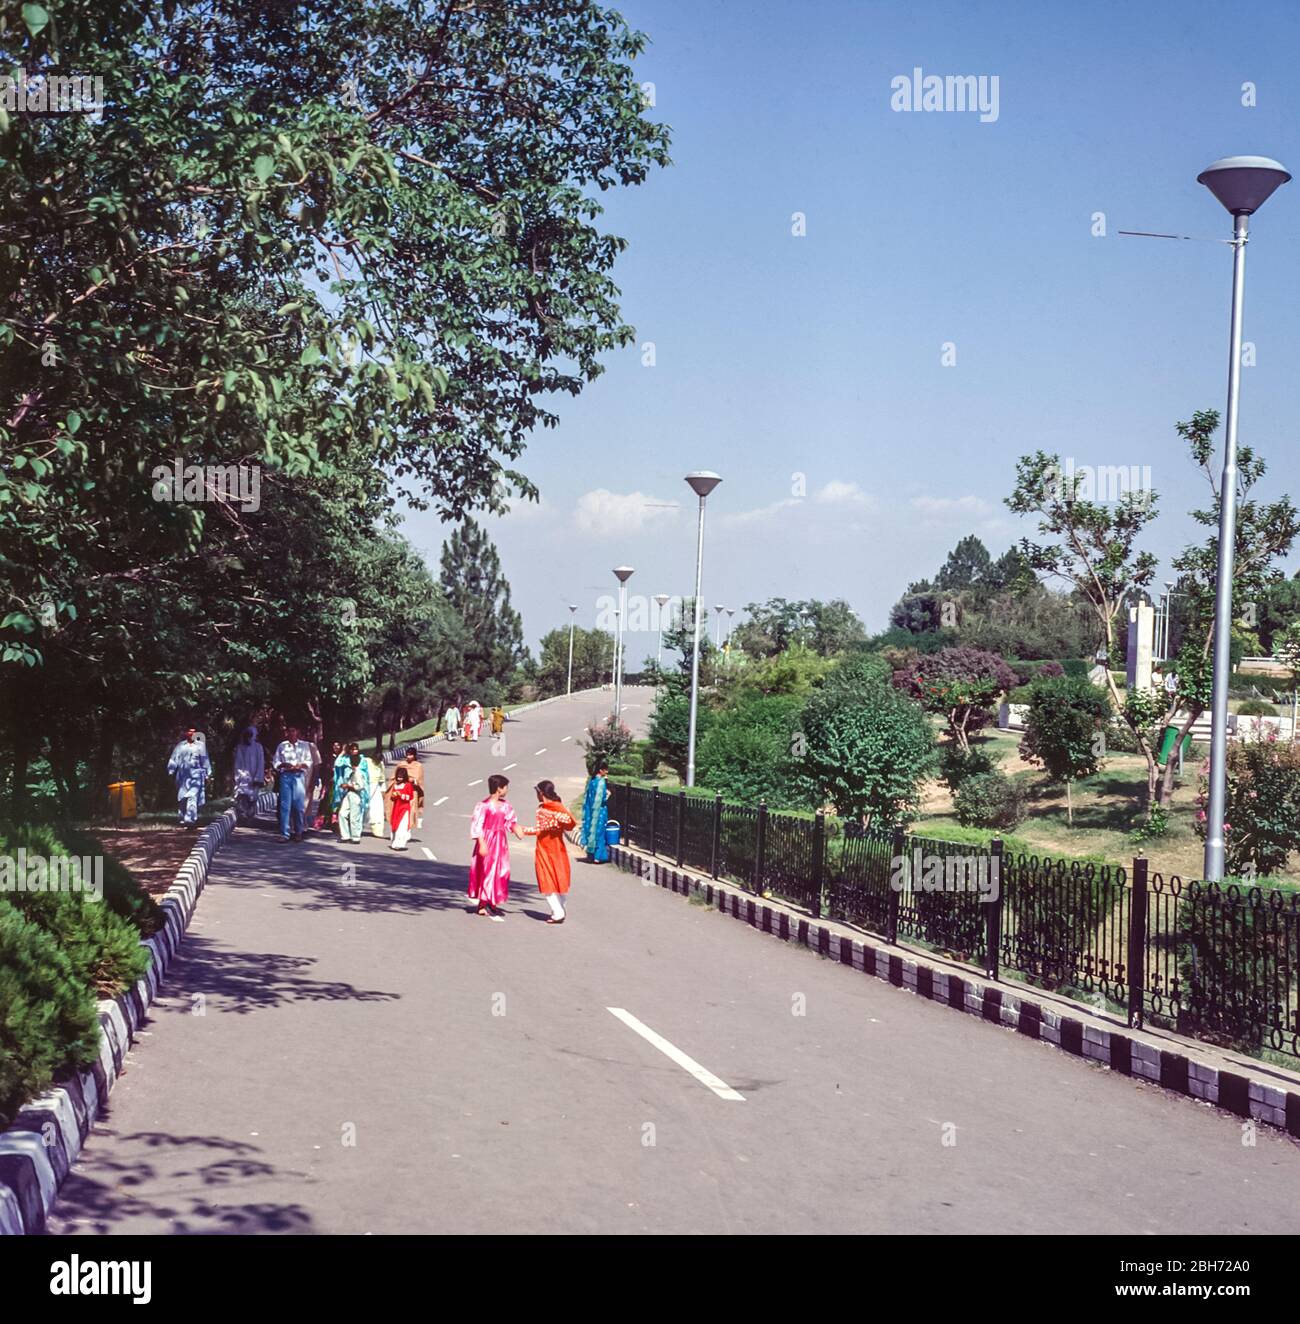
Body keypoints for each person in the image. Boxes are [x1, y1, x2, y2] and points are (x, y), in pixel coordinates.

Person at [468, 773, 525, 920]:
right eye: (506, 787)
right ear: (499, 788)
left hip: (500, 842)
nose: (507, 790)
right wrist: (481, 843)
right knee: (487, 871)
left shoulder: (506, 806)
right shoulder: (483, 806)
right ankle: (482, 903)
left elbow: (509, 821)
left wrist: (516, 828)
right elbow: (477, 825)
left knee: (501, 870)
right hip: (487, 840)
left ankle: (493, 900)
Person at [522, 780, 577, 924]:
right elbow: (571, 823)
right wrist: (556, 819)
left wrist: (523, 830)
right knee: (558, 878)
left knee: (546, 880)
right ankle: (559, 910)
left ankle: (558, 912)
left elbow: (541, 830)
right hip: (558, 848)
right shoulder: (557, 806)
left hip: (545, 849)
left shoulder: (543, 810)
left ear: (540, 793)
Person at [274, 724, 313, 842]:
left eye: (293, 730)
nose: (291, 733)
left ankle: (298, 831)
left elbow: (309, 761)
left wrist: (300, 765)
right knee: (285, 805)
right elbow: (276, 761)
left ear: (297, 732)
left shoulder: (304, 745)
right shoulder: (282, 746)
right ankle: (285, 833)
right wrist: (283, 765)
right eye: (289, 731)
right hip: (286, 775)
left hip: (298, 775)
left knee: (298, 805)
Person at [167, 727, 211, 828]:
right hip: (182, 776)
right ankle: (182, 818)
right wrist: (171, 771)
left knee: (192, 796)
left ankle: (190, 820)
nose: (191, 734)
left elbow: (205, 760)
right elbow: (174, 759)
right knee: (183, 797)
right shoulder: (181, 746)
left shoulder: (201, 746)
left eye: (194, 732)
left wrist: (208, 773)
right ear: (186, 733)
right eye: (189, 732)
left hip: (196, 776)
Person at [232, 725, 266, 825]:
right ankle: (243, 818)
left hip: (254, 777)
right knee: (242, 796)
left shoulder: (258, 747)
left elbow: (260, 763)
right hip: (243, 777)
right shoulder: (240, 747)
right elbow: (237, 763)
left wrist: (258, 777)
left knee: (252, 798)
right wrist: (238, 776)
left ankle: (250, 817)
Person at [336, 750, 370, 843]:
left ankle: (355, 837)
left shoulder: (358, 773)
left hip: (356, 795)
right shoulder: (350, 771)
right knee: (342, 813)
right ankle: (345, 835)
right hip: (348, 794)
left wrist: (349, 786)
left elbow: (360, 786)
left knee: (354, 817)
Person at [580, 760, 610, 863]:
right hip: (599, 812)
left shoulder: (592, 782)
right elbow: (601, 799)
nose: (607, 772)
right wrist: (608, 795)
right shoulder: (601, 782)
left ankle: (590, 855)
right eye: (605, 770)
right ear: (601, 770)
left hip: (590, 811)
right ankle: (598, 857)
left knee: (591, 832)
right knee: (599, 833)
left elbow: (588, 797)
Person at [389, 766, 417, 850]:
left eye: (401, 777)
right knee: (395, 825)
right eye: (398, 776)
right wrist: (394, 796)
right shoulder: (395, 786)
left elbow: (410, 797)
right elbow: (392, 798)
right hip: (396, 809)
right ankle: (394, 842)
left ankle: (400, 843)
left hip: (404, 809)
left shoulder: (408, 785)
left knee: (402, 826)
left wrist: (401, 795)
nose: (399, 778)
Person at [402, 747, 426, 839]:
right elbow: (395, 776)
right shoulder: (402, 764)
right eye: (407, 754)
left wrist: (413, 780)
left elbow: (420, 780)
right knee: (402, 811)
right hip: (403, 790)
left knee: (411, 811)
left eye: (410, 755)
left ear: (414, 755)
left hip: (413, 791)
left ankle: (408, 830)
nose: (408, 756)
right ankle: (401, 829)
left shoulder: (418, 766)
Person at [366, 748, 388, 837]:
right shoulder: (366, 761)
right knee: (364, 808)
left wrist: (383, 791)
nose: (377, 762)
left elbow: (382, 779)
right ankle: (356, 828)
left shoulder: (381, 764)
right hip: (365, 786)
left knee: (377, 809)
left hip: (376, 788)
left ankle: (377, 829)